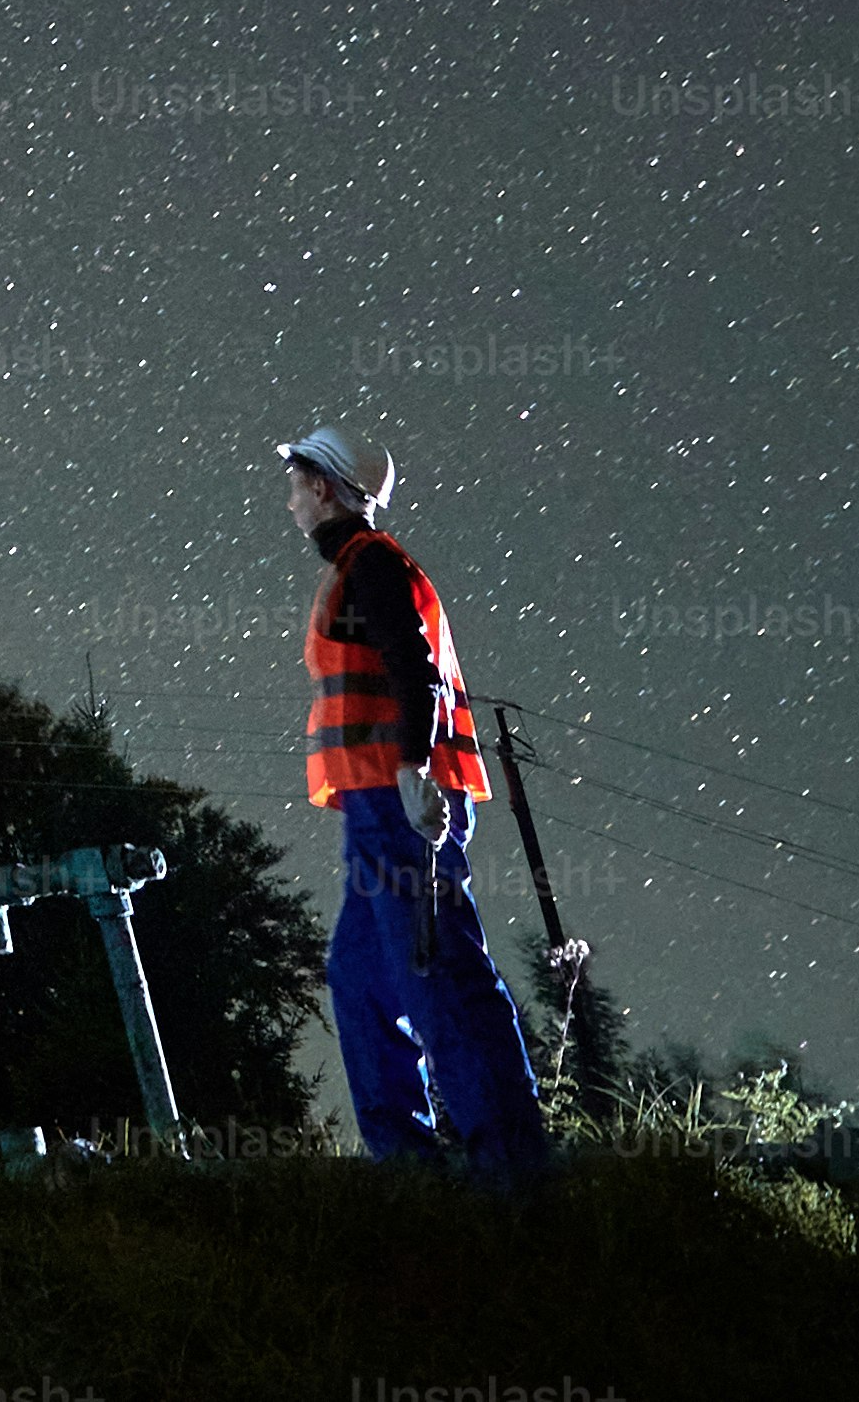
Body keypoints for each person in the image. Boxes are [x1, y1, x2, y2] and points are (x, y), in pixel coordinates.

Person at [278, 424, 554, 1177]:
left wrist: (411, 769)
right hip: (377, 804)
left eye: (296, 484)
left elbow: (414, 667)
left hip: (397, 800)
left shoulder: (371, 563)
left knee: (439, 976)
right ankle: (407, 1166)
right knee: (361, 980)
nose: (290, 500)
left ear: (323, 488)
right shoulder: (360, 566)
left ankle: (510, 1170)